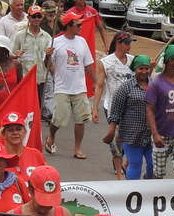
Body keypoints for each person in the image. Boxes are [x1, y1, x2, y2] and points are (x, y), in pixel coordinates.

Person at [45, 18, 96, 160]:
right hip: (62, 87)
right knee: (59, 119)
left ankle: (77, 148)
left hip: (79, 87)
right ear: (68, 26)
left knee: (81, 119)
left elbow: (88, 64)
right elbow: (48, 64)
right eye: (77, 25)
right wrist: (48, 57)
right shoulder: (56, 42)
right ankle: (51, 135)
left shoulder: (82, 42)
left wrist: (96, 81)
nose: (80, 27)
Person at [145, 44, 174, 179]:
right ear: (171, 61)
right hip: (162, 135)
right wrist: (155, 134)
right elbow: (149, 110)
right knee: (158, 175)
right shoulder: (156, 83)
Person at [93, 32, 134, 178]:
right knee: (117, 140)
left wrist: (152, 67)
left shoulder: (133, 60)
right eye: (127, 43)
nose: (130, 46)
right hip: (112, 107)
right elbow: (99, 85)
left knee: (131, 138)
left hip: (131, 107)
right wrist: (95, 108)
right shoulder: (106, 62)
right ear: (118, 43)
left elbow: (143, 79)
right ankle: (119, 173)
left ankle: (125, 162)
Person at [106, 54, 153, 180]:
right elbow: (115, 112)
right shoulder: (125, 88)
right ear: (134, 69)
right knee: (135, 164)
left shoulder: (155, 86)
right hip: (131, 134)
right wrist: (111, 131)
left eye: (147, 68)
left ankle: (149, 188)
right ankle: (132, 192)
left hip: (152, 134)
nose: (144, 71)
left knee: (153, 165)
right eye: (141, 68)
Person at [11, 4, 53, 114]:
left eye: (39, 16)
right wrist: (16, 55)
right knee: (24, 110)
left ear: (42, 17)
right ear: (28, 17)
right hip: (24, 79)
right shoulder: (20, 36)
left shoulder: (47, 37)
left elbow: (48, 63)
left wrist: (48, 56)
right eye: (34, 16)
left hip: (41, 80)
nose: (36, 19)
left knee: (37, 112)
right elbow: (10, 56)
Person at [0, 111, 46, 178]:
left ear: (24, 132)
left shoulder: (36, 154)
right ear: (3, 134)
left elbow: (46, 178)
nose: (15, 133)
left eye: (19, 129)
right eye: (10, 130)